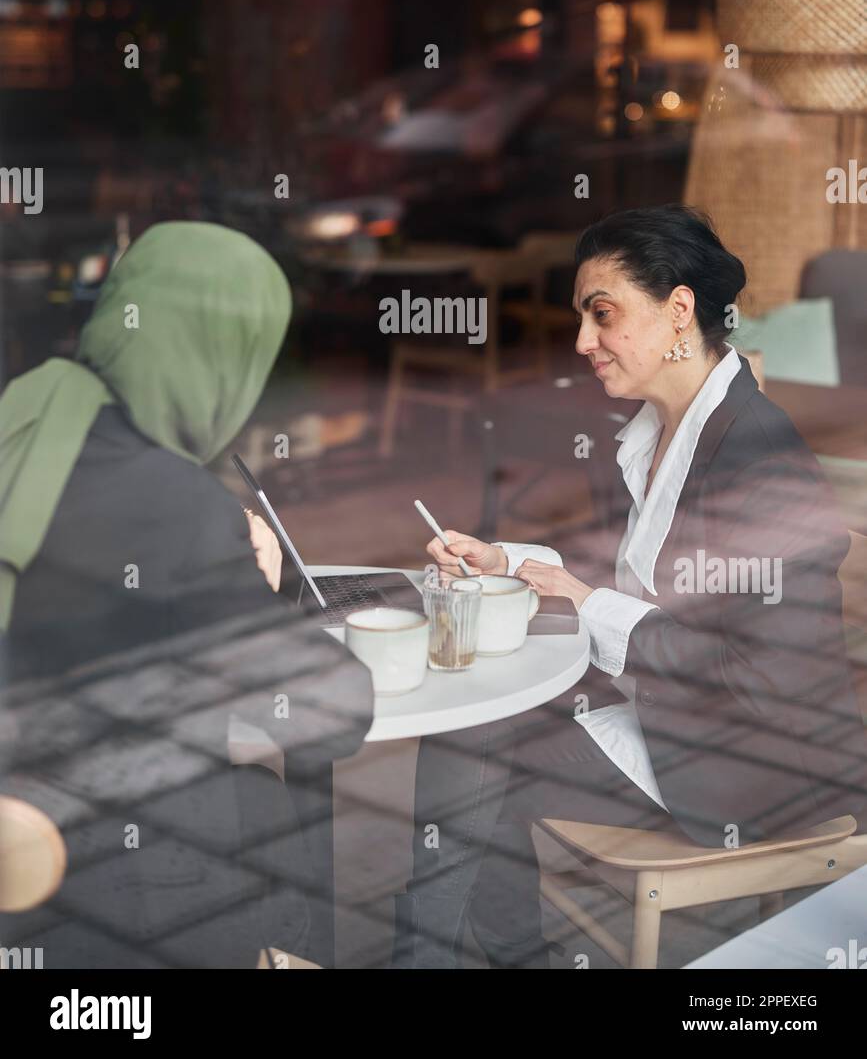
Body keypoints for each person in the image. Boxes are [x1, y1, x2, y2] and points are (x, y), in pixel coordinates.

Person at [394, 205, 867, 968]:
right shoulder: (653, 434)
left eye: (601, 314)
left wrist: (587, 606)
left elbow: (761, 677)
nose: (582, 342)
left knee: (475, 734)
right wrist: (506, 563)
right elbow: (629, 581)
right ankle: (465, 955)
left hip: (760, 767)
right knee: (476, 712)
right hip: (672, 714)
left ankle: (438, 956)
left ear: (679, 310)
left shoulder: (755, 455)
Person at [0, 222, 373, 968]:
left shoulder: (25, 413)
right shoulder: (174, 503)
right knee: (289, 841)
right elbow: (332, 716)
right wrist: (253, 577)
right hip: (108, 897)